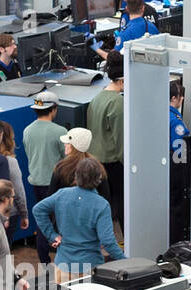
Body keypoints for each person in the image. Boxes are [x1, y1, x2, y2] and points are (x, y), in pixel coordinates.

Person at [33, 158, 124, 278]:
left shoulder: (62, 194)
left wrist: (52, 235)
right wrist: (124, 260)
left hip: (63, 266)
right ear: (99, 178)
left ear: (76, 176)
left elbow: (38, 209)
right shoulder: (101, 205)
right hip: (90, 267)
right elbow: (107, 241)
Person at [24, 91, 66, 264]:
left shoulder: (28, 131)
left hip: (36, 181)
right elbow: (66, 158)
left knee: (42, 220)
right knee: (61, 220)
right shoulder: (60, 131)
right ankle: (61, 254)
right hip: (55, 183)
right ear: (53, 109)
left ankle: (43, 257)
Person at [87, 52, 126, 228]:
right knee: (121, 204)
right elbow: (120, 139)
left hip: (96, 160)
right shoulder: (117, 102)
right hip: (113, 163)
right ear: (123, 80)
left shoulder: (97, 98)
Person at [0, 118, 29, 246]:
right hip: (7, 214)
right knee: (3, 252)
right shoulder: (10, 162)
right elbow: (18, 191)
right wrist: (24, 214)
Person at [48, 128, 112, 205]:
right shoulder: (97, 166)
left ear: (74, 146)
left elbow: (51, 197)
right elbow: (105, 197)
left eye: (68, 143)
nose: (64, 144)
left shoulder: (61, 167)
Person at [169, 81, 191, 243]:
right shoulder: (176, 120)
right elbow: (180, 149)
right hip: (175, 167)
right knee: (177, 204)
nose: (182, 100)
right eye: (181, 97)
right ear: (174, 98)